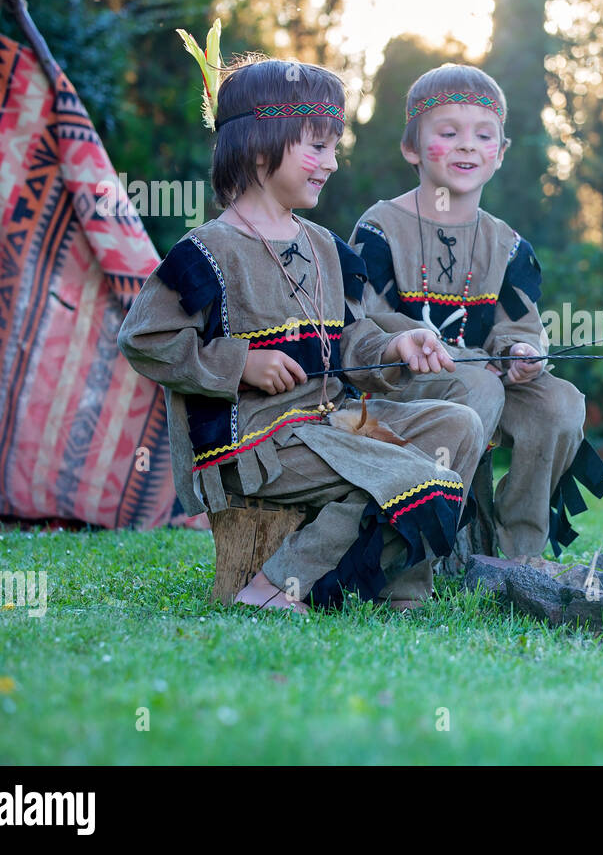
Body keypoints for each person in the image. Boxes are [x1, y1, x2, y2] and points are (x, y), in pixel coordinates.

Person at [118, 38, 484, 612]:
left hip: (331, 423)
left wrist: (398, 344)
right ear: (261, 150)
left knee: (458, 427)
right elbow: (145, 341)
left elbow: (353, 341)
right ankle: (273, 585)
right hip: (255, 445)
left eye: (333, 146)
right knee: (401, 469)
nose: (333, 162)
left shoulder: (327, 250)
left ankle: (393, 584)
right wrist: (242, 362)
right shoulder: (207, 252)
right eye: (317, 146)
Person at [348, 64, 603, 561]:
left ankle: (516, 552)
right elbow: (370, 315)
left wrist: (520, 352)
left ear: (500, 154)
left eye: (483, 135)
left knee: (561, 404)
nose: (468, 145)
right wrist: (454, 355)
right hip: (400, 381)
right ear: (411, 148)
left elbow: (519, 324)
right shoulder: (381, 227)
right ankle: (431, 540)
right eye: (449, 133)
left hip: (486, 379)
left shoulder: (509, 246)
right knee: (478, 382)